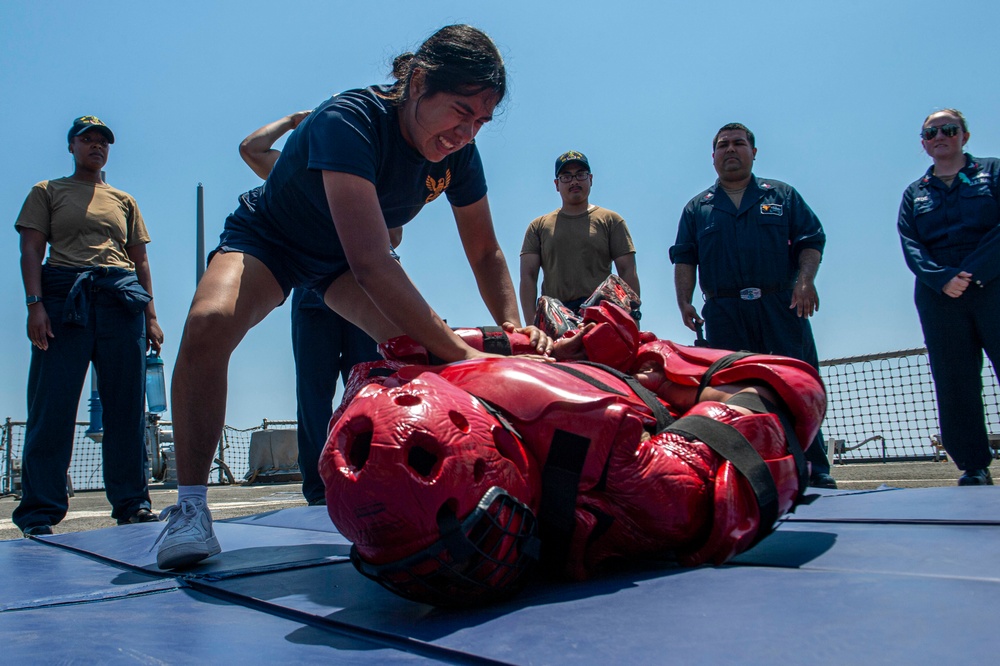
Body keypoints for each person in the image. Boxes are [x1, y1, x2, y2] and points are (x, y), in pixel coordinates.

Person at [155, 25, 551, 569]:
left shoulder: (459, 155)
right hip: (274, 240)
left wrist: (512, 329)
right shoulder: (349, 119)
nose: (466, 133)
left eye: (480, 122)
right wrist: (464, 354)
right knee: (209, 322)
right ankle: (190, 508)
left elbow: (485, 252)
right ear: (418, 83)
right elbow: (371, 263)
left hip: (339, 260)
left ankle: (460, 499)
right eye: (461, 112)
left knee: (426, 356)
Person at [13, 115, 163, 535]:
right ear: (71, 146)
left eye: (103, 141)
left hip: (120, 299)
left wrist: (151, 315)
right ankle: (39, 512)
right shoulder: (47, 191)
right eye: (87, 139)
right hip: (65, 297)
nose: (96, 146)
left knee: (126, 407)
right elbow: (31, 250)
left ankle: (132, 503)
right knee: (53, 406)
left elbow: (140, 260)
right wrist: (35, 306)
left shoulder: (124, 200)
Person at [239, 111, 396, 506]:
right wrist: (293, 121)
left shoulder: (372, 180)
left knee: (369, 389)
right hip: (313, 294)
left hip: (364, 294)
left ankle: (367, 477)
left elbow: (393, 235)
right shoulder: (297, 175)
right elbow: (251, 149)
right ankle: (318, 490)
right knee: (313, 394)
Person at [670, 122, 836, 488]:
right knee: (733, 393)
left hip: (781, 307)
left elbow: (811, 241)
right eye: (723, 145)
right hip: (725, 314)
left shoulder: (782, 196)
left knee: (795, 385)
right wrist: (684, 302)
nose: (731, 149)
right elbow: (684, 259)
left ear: (753, 152)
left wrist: (805, 281)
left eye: (738, 143)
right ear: (713, 156)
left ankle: (814, 467)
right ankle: (748, 474)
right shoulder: (697, 209)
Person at [898, 109, 999, 486]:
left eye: (948, 129)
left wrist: (973, 272)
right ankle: (973, 465)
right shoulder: (915, 193)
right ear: (924, 143)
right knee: (954, 380)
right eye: (931, 133)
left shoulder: (993, 172)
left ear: (964, 136)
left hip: (992, 283)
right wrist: (942, 279)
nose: (940, 136)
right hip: (939, 294)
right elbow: (911, 244)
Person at [519, 151, 640, 320]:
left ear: (590, 179)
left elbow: (627, 271)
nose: (574, 181)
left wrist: (632, 319)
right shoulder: (538, 226)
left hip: (600, 316)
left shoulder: (611, 220)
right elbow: (528, 276)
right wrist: (532, 324)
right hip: (556, 317)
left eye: (580, 175)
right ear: (556, 184)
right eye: (566, 176)